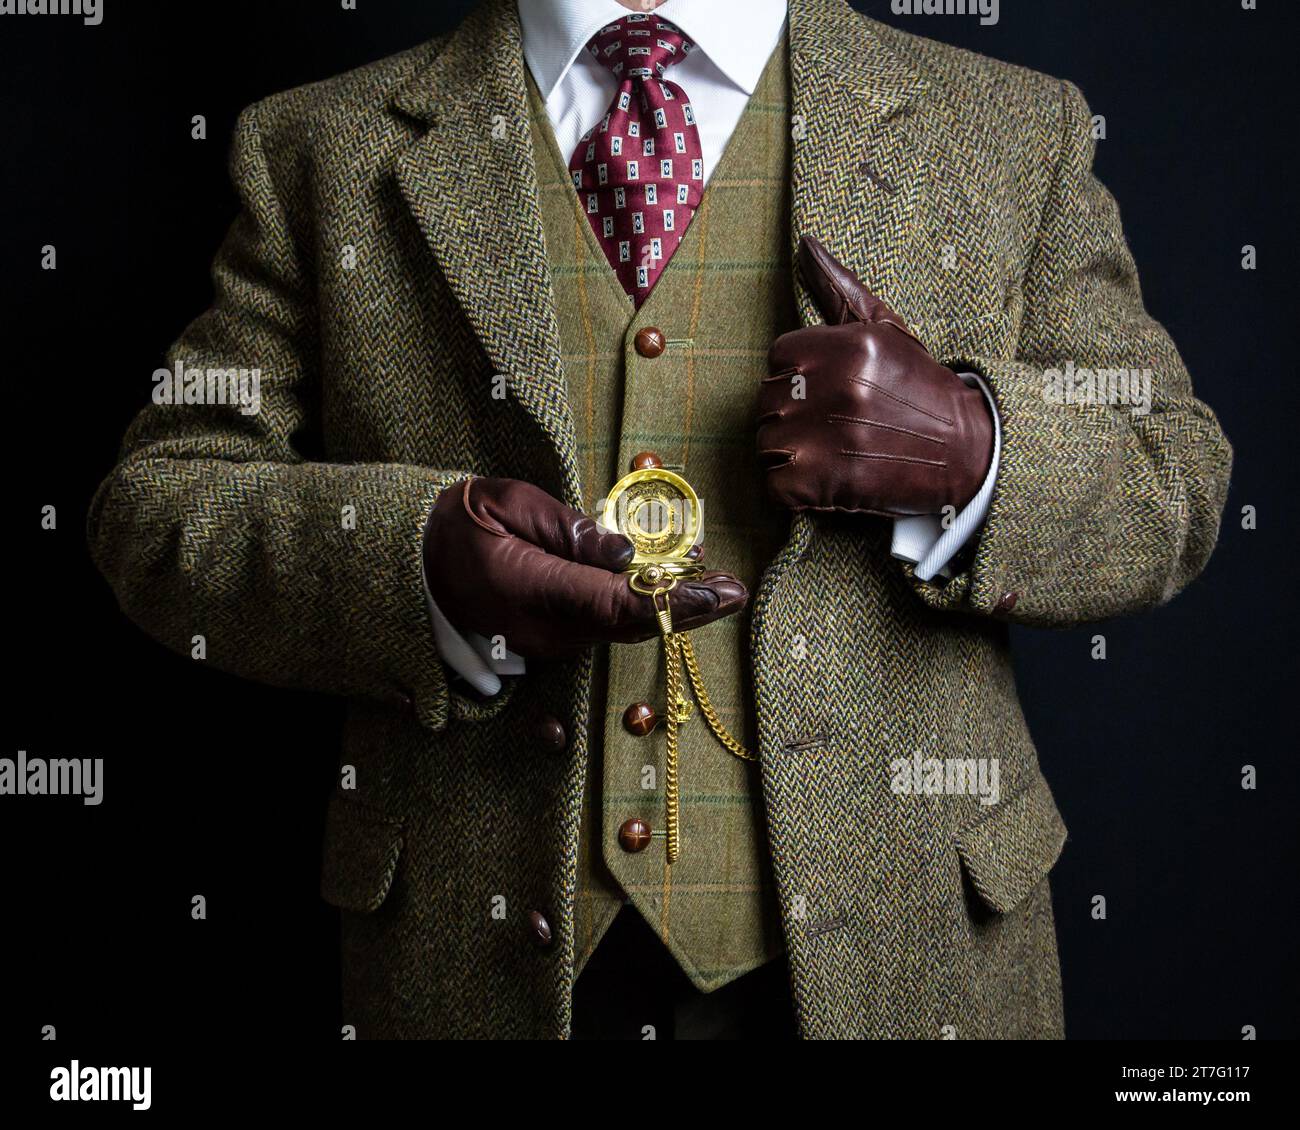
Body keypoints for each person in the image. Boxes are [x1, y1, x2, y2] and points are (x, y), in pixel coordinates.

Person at [88, 0, 1232, 1039]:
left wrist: (974, 445)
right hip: (472, 967)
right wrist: (417, 564)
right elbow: (160, 501)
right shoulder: (314, 145)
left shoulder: (1005, 127)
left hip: (909, 953)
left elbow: (1174, 472)